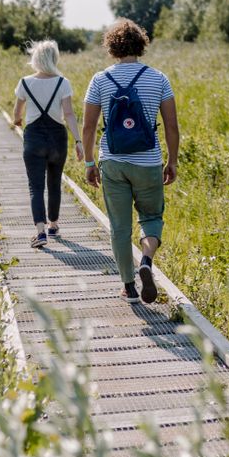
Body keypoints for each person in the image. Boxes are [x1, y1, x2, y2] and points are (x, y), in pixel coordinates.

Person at [82, 19, 179, 304]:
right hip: (148, 162)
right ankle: (146, 260)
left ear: (111, 47)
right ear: (141, 44)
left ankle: (129, 287)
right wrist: (172, 161)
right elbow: (171, 126)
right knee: (151, 218)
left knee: (120, 227)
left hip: (113, 162)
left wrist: (89, 163)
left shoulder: (100, 80)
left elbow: (88, 127)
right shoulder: (158, 79)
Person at [12, 40, 83, 248]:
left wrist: (17, 121)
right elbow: (68, 114)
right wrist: (78, 140)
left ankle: (40, 232)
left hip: (34, 138)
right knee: (54, 183)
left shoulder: (25, 82)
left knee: (35, 187)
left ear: (36, 59)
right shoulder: (63, 83)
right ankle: (53, 224)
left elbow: (17, 112)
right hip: (57, 138)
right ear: (54, 59)